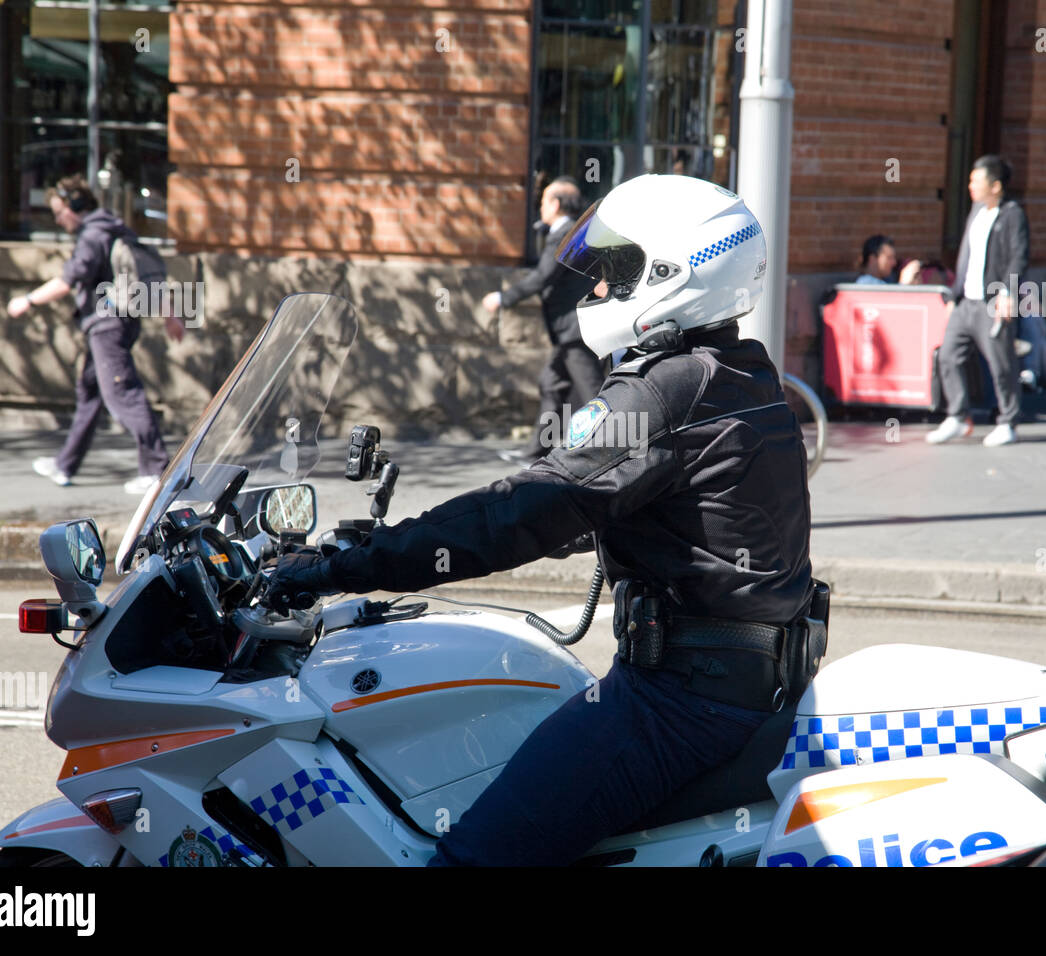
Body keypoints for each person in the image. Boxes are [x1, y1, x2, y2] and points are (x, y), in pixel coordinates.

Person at [266, 174, 816, 866]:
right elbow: (667, 510)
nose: (597, 291)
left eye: (618, 273)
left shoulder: (666, 388)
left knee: (472, 858)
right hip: (747, 682)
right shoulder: (743, 373)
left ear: (675, 274)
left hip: (678, 701)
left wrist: (347, 564)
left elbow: (524, 510)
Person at [7, 174, 184, 494]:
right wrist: (170, 316)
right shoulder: (117, 228)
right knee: (90, 393)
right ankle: (65, 464)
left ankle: (158, 470)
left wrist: (28, 300)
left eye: (60, 213)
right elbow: (149, 274)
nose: (59, 221)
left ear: (75, 206)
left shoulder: (92, 236)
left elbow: (68, 280)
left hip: (107, 326)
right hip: (121, 322)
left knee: (123, 394)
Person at [484, 176, 604, 465]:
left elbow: (543, 276)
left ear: (557, 203)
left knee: (593, 394)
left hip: (575, 330)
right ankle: (537, 452)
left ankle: (605, 452)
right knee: (552, 385)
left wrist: (503, 298)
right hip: (568, 330)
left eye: (543, 201)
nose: (540, 207)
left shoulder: (564, 234)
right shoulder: (568, 232)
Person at [927, 155, 1028, 447]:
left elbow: (1018, 258)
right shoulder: (976, 212)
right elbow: (966, 257)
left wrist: (1008, 294)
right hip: (966, 302)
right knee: (947, 356)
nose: (971, 185)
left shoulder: (1012, 215)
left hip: (993, 301)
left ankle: (1008, 421)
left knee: (1001, 364)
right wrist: (955, 294)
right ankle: (958, 416)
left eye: (976, 180)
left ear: (996, 186)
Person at [854, 234, 921, 285]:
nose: (894, 262)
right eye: (889, 258)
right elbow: (889, 302)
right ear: (873, 259)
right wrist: (903, 285)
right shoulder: (865, 284)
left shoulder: (881, 282)